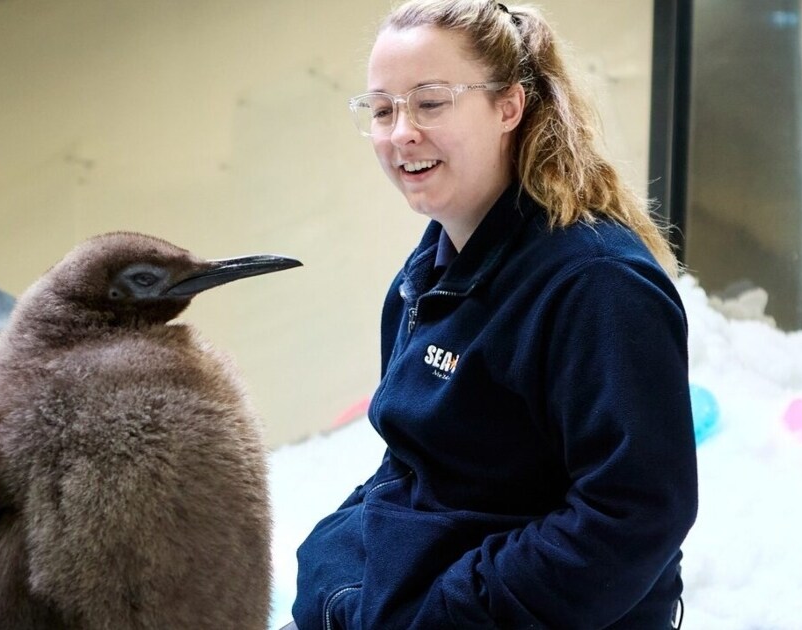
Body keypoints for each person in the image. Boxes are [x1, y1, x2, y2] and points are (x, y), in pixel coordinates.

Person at [289, 1, 698, 628]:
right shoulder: (426, 275)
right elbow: (411, 466)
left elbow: (633, 515)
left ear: (509, 106)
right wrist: (338, 575)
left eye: (429, 102)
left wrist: (446, 612)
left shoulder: (596, 284)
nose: (401, 132)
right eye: (381, 109)